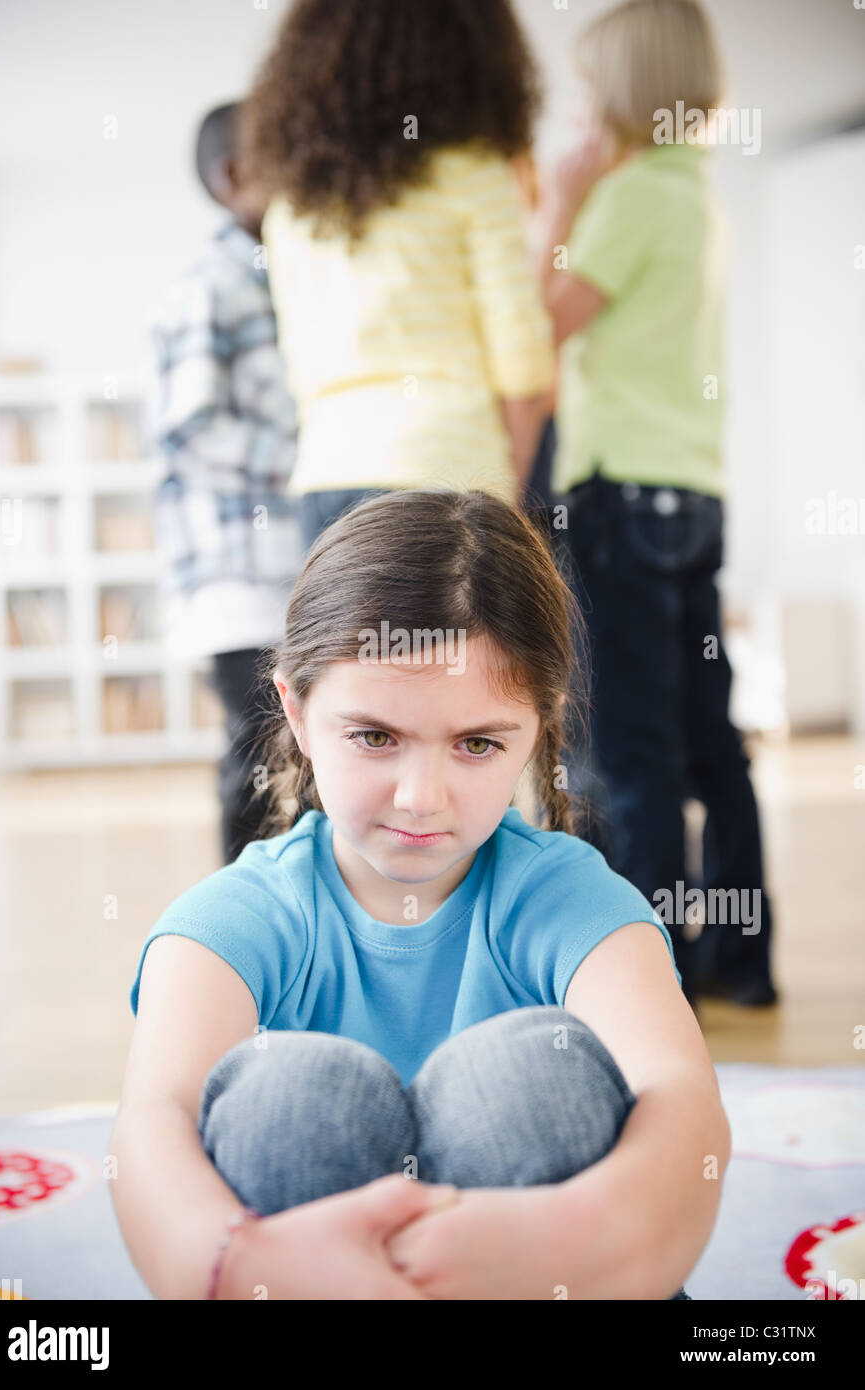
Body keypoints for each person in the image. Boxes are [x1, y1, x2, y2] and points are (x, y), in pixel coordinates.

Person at [111, 489, 730, 1300]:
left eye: (477, 743)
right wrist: (240, 1264)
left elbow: (682, 1104)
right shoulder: (230, 923)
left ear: (537, 730)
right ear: (296, 715)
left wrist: (578, 1234)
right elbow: (151, 1126)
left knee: (526, 1078)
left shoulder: (569, 899)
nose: (419, 797)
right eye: (374, 737)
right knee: (285, 1096)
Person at [533, 0, 778, 1008]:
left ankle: (649, 982)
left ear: (628, 91)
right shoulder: (697, 197)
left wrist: (559, 201)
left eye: (591, 87)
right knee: (708, 744)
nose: (583, 109)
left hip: (616, 494)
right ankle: (739, 961)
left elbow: (538, 322)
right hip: (692, 495)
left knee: (627, 753)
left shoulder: (629, 196)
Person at [236, 0, 556, 550]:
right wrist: (510, 499)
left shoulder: (291, 206)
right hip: (453, 477)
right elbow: (524, 371)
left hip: (330, 477)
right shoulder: (474, 175)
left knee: (353, 643)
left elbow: (302, 371)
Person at [147, 101, 306, 864]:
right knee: (257, 749)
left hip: (286, 567)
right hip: (235, 570)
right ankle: (241, 938)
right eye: (281, 152)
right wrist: (307, 454)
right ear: (233, 176)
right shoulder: (207, 287)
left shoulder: (286, 276)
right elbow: (190, 427)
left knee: (303, 749)